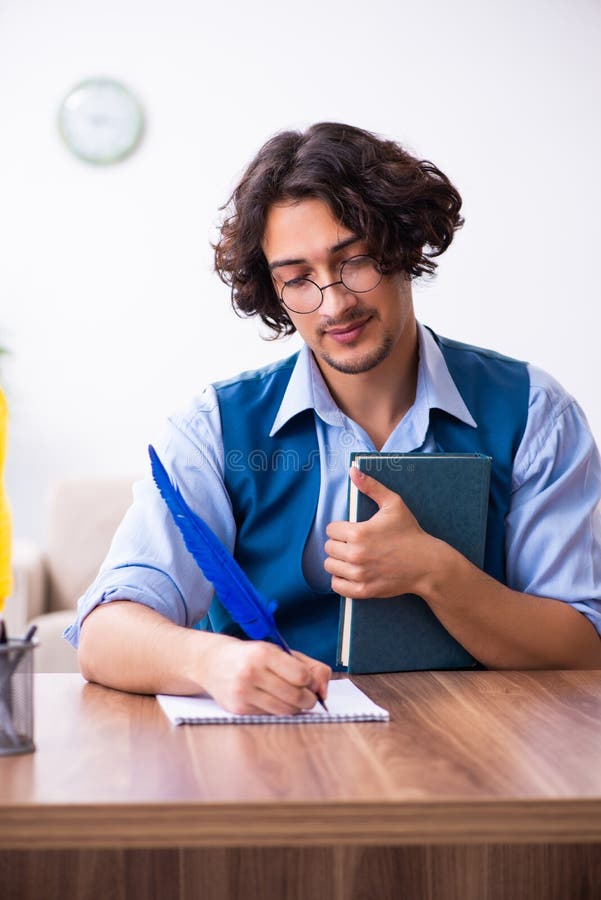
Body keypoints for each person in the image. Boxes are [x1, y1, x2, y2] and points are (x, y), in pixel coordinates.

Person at [66, 122, 601, 714]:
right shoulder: (213, 428)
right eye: (298, 279)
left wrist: (438, 575)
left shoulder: (534, 411)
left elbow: (583, 647)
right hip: (273, 747)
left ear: (404, 246)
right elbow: (104, 635)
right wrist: (210, 661)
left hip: (479, 745)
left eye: (356, 261)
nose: (335, 302)